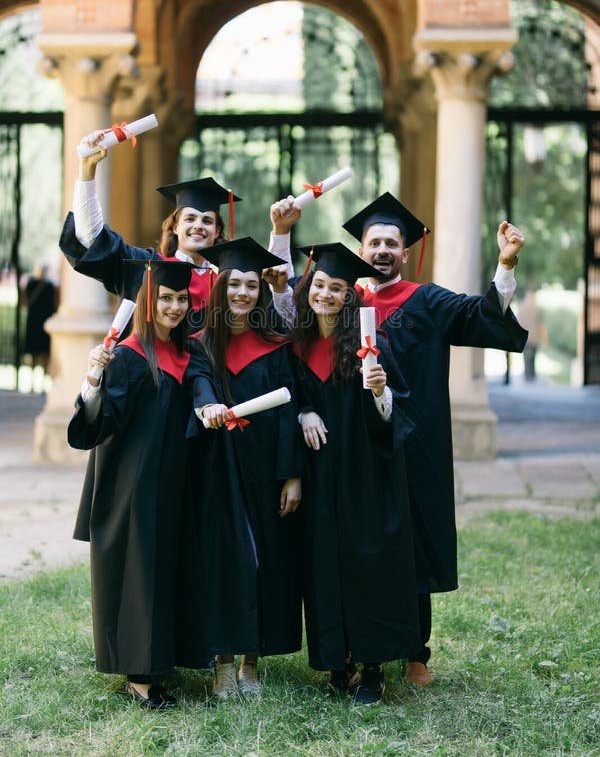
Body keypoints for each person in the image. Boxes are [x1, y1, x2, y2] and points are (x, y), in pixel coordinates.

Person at [266, 192, 528, 687]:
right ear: (361, 249)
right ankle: (359, 649)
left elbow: (481, 316)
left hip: (415, 443)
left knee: (412, 543)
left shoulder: (425, 300)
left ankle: (415, 652)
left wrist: (505, 265)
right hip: (352, 451)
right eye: (374, 242)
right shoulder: (343, 299)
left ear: (405, 252)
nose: (382, 249)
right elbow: (287, 314)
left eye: (392, 242)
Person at [68, 259, 210, 709]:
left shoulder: (190, 354)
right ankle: (140, 677)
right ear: (149, 302)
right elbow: (98, 423)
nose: (173, 306)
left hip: (174, 483)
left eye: (180, 299)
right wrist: (93, 378)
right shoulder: (128, 356)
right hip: (133, 485)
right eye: (165, 298)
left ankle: (162, 659)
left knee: (168, 569)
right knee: (140, 573)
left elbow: (202, 393)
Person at [290, 242, 420, 707]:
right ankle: (336, 660)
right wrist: (304, 411)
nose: (325, 294)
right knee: (325, 559)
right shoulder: (298, 343)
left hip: (365, 472)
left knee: (367, 561)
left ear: (350, 296)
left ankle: (371, 668)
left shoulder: (371, 344)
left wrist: (379, 391)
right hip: (321, 471)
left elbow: (392, 412)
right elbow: (290, 395)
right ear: (309, 288)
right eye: (319, 285)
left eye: (337, 288)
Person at [187, 237, 303, 699]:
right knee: (222, 562)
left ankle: (251, 664)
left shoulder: (274, 346)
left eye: (251, 285)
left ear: (260, 291)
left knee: (264, 562)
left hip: (263, 469)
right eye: (234, 283)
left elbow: (290, 412)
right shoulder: (202, 345)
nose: (242, 293)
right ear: (220, 287)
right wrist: (208, 404)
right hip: (219, 470)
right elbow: (197, 384)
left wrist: (292, 474)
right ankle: (222, 662)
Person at [59, 134, 241, 320]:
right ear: (175, 227)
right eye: (190, 219)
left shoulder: (226, 283)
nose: (198, 226)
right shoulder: (146, 268)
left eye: (207, 221)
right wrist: (87, 171)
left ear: (217, 231)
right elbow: (93, 238)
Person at [19, 263, 59, 391]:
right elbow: (56, 304)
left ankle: (36, 385)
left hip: (35, 323)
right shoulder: (49, 286)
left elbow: (23, 302)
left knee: (38, 355)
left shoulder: (34, 285)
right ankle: (37, 385)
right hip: (40, 323)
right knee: (40, 355)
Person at [518, 286, 546, 381]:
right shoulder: (535, 309)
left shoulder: (524, 308)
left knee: (529, 356)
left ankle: (529, 374)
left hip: (529, 337)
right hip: (530, 337)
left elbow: (539, 324)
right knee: (529, 356)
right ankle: (530, 374)